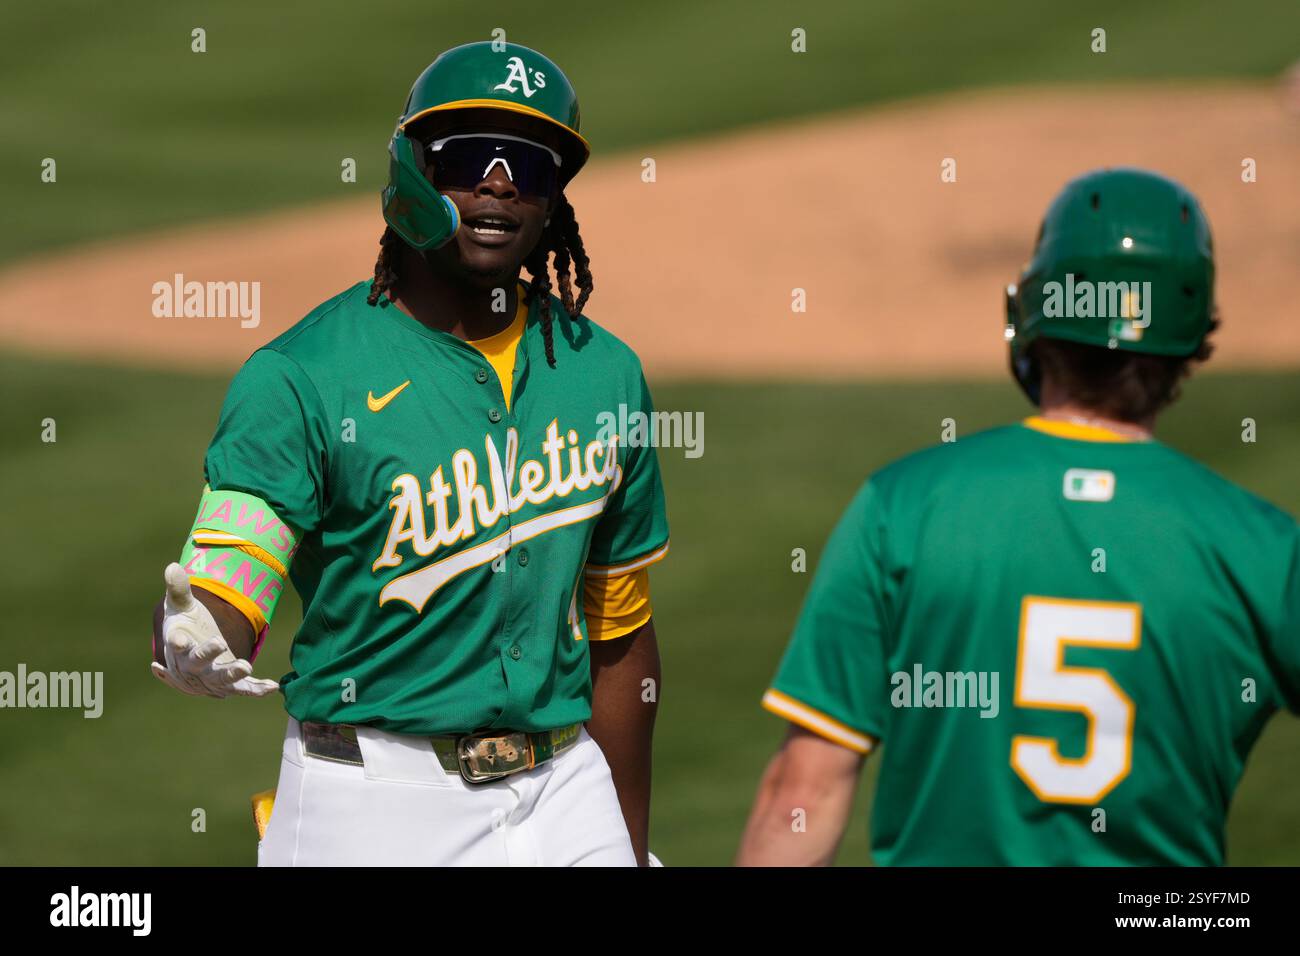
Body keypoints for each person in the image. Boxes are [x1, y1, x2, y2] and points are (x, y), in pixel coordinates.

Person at [150, 41, 669, 867]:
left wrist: (631, 849)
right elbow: (229, 569)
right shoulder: (302, 376)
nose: (498, 182)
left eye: (529, 167)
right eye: (469, 158)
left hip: (567, 790)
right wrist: (196, 631)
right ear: (413, 174)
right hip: (370, 803)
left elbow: (621, 636)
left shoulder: (603, 372)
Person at [736, 167, 1299, 866]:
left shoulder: (905, 507)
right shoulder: (1265, 551)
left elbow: (805, 793)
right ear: (1193, 340)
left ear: (1036, 311)